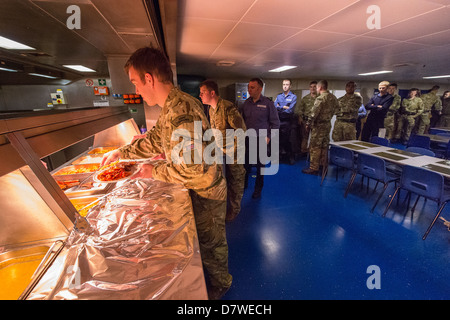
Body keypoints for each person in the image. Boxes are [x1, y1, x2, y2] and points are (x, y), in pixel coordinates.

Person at [100, 47, 232, 300]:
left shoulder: (182, 111)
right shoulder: (171, 106)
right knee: (204, 244)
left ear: (149, 78)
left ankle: (221, 283)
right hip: (197, 187)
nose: (136, 90)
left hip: (207, 191)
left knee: (212, 244)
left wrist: (153, 170)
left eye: (136, 83)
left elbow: (193, 169)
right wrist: (123, 153)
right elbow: (156, 141)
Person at [199, 79, 247, 222]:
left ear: (212, 93)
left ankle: (235, 209)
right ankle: (227, 206)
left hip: (234, 152)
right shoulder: (212, 109)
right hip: (221, 152)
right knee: (225, 180)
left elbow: (241, 130)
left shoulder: (227, 107)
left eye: (203, 92)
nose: (200, 95)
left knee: (236, 181)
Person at [241, 78, 280, 199]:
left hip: (261, 140)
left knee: (260, 168)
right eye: (248, 87)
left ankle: (258, 190)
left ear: (260, 89)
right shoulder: (246, 103)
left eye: (252, 87)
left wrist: (269, 138)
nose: (249, 90)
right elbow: (240, 121)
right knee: (245, 165)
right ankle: (244, 185)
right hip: (247, 139)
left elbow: (276, 123)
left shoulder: (268, 104)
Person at [302, 80, 338, 175]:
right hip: (327, 124)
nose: (316, 90)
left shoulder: (320, 98)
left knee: (315, 146)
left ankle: (314, 167)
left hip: (318, 126)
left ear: (320, 87)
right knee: (324, 145)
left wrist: (308, 124)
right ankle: (322, 164)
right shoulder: (333, 98)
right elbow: (337, 110)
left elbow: (314, 113)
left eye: (317, 88)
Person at [274, 79, 297, 164]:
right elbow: (274, 107)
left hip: (287, 121)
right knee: (278, 140)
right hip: (279, 120)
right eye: (284, 84)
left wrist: (280, 107)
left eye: (287, 84)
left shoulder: (293, 97)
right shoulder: (279, 96)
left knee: (287, 140)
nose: (285, 86)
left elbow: (290, 110)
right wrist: (284, 107)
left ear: (290, 86)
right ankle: (279, 157)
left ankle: (290, 156)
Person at [295, 81, 317, 157]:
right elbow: (300, 109)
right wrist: (300, 118)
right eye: (311, 87)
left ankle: (312, 153)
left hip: (316, 121)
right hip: (306, 120)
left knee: (314, 138)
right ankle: (303, 152)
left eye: (314, 87)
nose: (312, 88)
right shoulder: (305, 98)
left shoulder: (320, 98)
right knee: (304, 137)